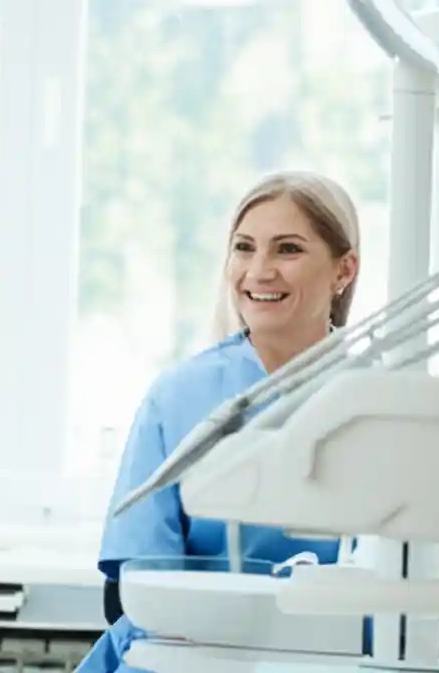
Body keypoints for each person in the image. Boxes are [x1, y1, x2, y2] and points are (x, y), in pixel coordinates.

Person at [77, 170, 363, 672]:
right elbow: (142, 577)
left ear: (344, 270)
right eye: (244, 248)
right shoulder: (178, 398)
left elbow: (393, 586)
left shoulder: (379, 403)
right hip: (182, 656)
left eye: (288, 250)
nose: (259, 271)